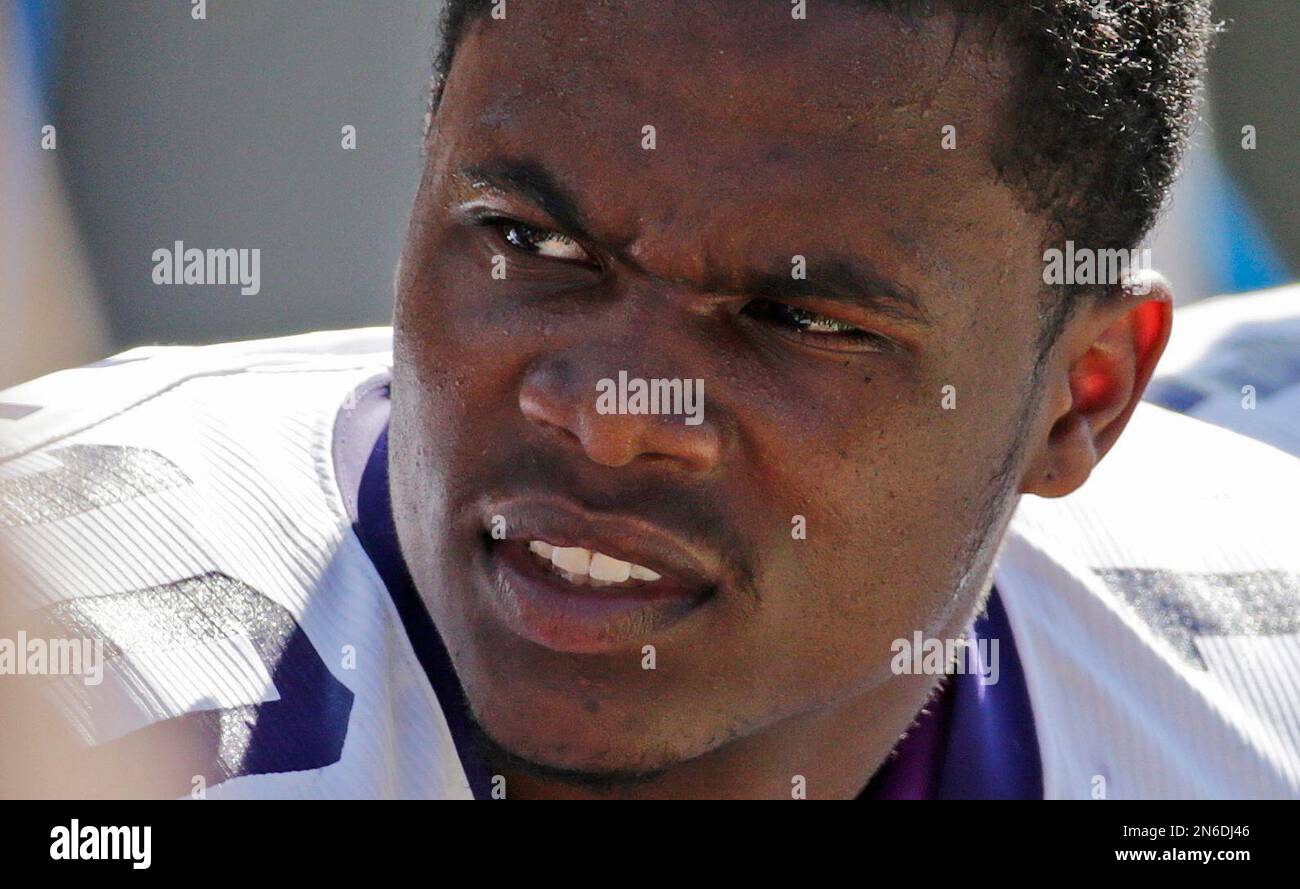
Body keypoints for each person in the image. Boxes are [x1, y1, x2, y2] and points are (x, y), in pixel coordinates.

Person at [2, 0, 1296, 799]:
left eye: (798, 319)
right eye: (531, 241)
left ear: (1086, 395)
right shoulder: (64, 677)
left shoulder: (1250, 695)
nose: (612, 407)